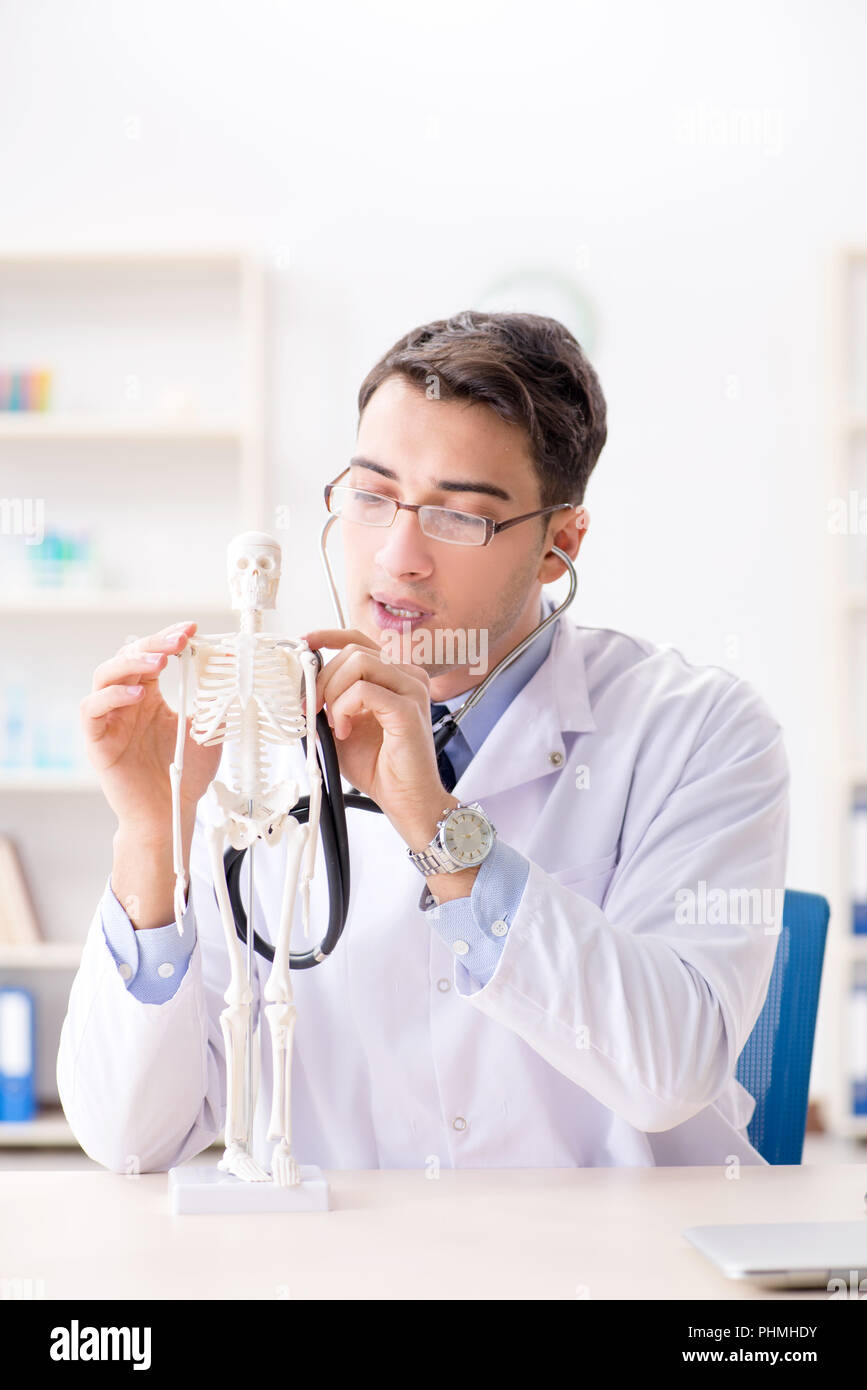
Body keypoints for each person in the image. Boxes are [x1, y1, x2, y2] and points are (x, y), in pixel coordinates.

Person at [59, 310, 789, 1172]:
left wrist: (431, 820)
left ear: (559, 543)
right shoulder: (258, 737)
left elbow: (670, 1072)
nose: (396, 557)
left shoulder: (699, 729)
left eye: (457, 517)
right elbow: (131, 1139)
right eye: (371, 497)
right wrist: (154, 836)